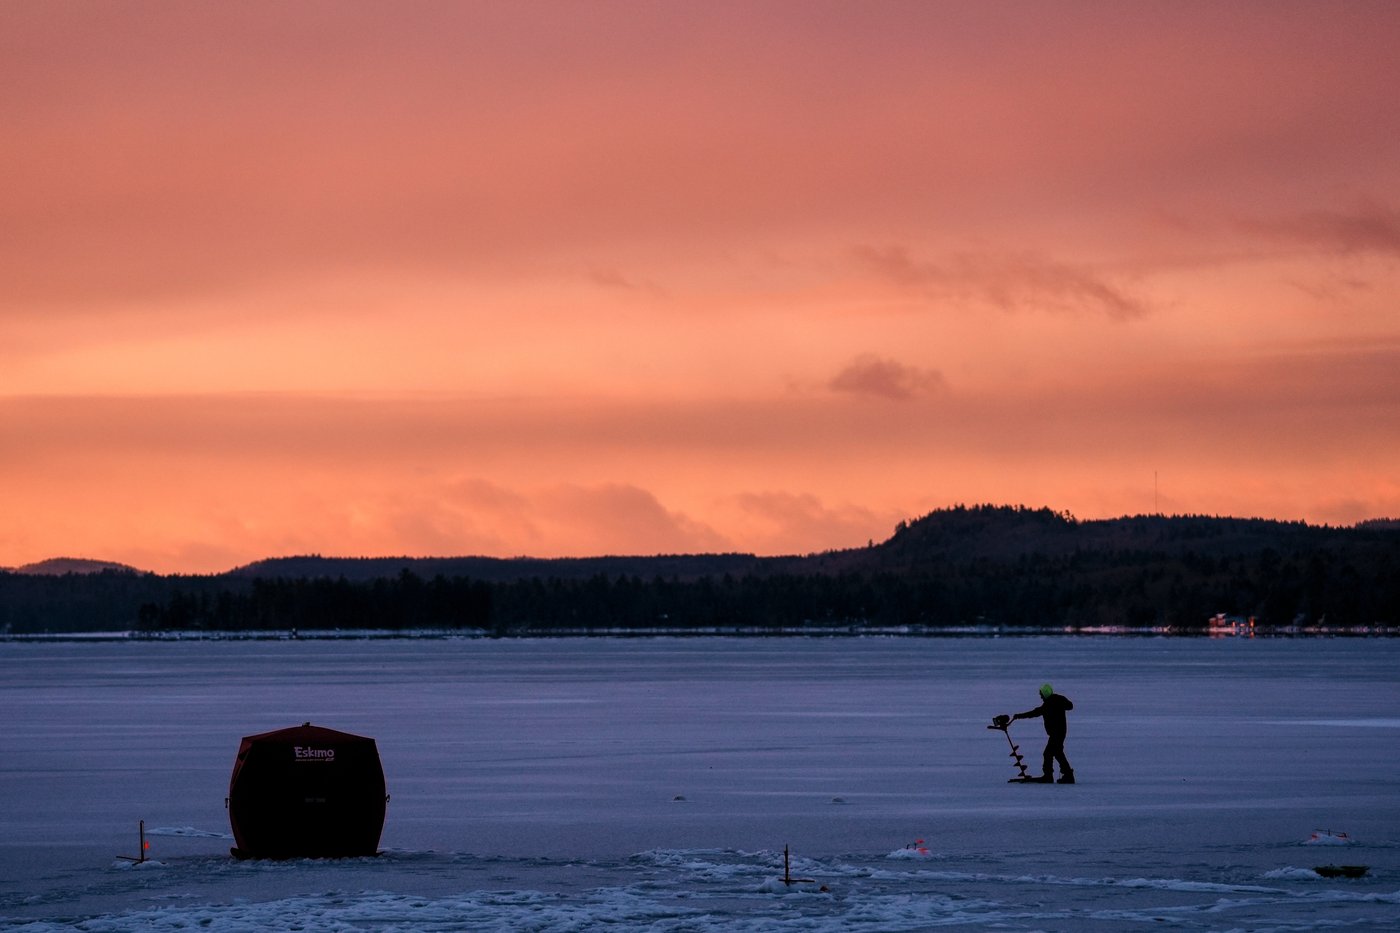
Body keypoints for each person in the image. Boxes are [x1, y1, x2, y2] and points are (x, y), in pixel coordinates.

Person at [1009, 683, 1074, 784]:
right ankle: (1065, 775)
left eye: (1041, 694)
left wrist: (1019, 716)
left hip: (1056, 733)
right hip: (1060, 732)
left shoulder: (1049, 704)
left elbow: (1034, 713)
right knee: (1057, 753)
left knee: (1049, 753)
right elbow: (1070, 706)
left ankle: (1052, 776)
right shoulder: (1057, 700)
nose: (1040, 696)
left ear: (1045, 693)